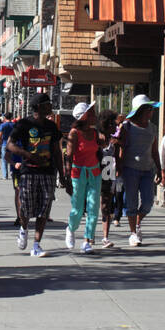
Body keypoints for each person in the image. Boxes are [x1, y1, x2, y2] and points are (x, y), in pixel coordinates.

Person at [5, 93, 66, 257]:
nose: (51, 106)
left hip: (48, 173)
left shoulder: (52, 127)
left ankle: (36, 245)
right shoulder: (24, 124)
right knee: (26, 208)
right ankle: (23, 229)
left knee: (44, 210)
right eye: (48, 104)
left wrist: (63, 175)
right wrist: (28, 155)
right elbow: (10, 145)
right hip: (29, 172)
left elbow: (57, 152)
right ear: (39, 107)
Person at [118, 94, 162, 247]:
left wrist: (159, 169)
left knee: (148, 202)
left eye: (152, 108)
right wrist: (119, 168)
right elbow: (121, 148)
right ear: (141, 110)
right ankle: (133, 234)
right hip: (130, 169)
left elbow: (155, 150)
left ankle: (138, 221)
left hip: (147, 169)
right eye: (149, 108)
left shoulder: (152, 128)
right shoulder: (126, 127)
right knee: (131, 202)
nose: (151, 111)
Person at [64, 101, 102, 253]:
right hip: (78, 174)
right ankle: (71, 228)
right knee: (78, 208)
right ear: (84, 116)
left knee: (93, 207)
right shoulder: (74, 133)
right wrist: (66, 176)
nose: (94, 116)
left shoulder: (94, 133)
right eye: (91, 113)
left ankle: (87, 240)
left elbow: (100, 147)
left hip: (95, 173)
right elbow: (69, 156)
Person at [97, 111, 120, 248]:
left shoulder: (114, 141)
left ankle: (105, 237)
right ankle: (89, 236)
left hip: (109, 171)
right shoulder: (96, 138)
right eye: (113, 124)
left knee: (107, 205)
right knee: (93, 205)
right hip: (95, 171)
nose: (115, 127)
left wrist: (118, 171)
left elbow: (117, 157)